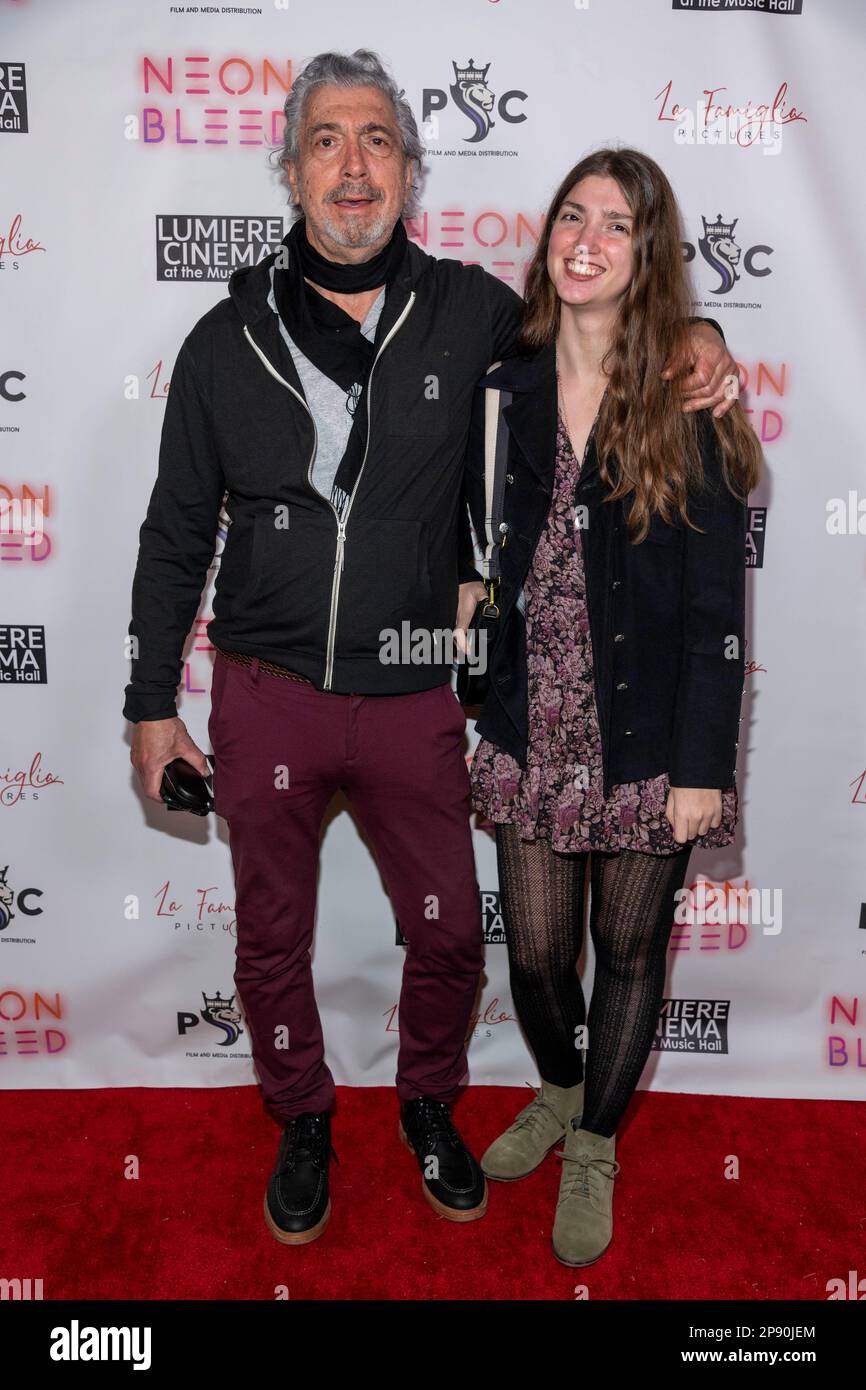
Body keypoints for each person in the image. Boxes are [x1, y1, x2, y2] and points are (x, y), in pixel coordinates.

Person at [123, 46, 740, 1248]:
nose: (352, 168)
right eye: (325, 141)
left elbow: (602, 309)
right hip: (266, 691)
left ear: (410, 169)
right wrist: (153, 706)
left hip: (417, 694)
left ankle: (424, 1104)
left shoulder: (469, 313)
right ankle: (302, 1115)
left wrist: (700, 334)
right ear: (290, 168)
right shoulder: (218, 341)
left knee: (455, 933)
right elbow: (173, 532)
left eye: (376, 143)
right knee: (268, 940)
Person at [463, 147, 762, 1267]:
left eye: (617, 225)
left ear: (647, 256)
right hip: (528, 728)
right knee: (538, 957)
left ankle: (591, 1139)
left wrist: (700, 767)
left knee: (626, 951)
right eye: (570, 215)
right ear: (547, 236)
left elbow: (713, 610)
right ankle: (554, 1081)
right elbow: (471, 554)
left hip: (645, 739)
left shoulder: (684, 401)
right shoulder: (504, 382)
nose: (585, 238)